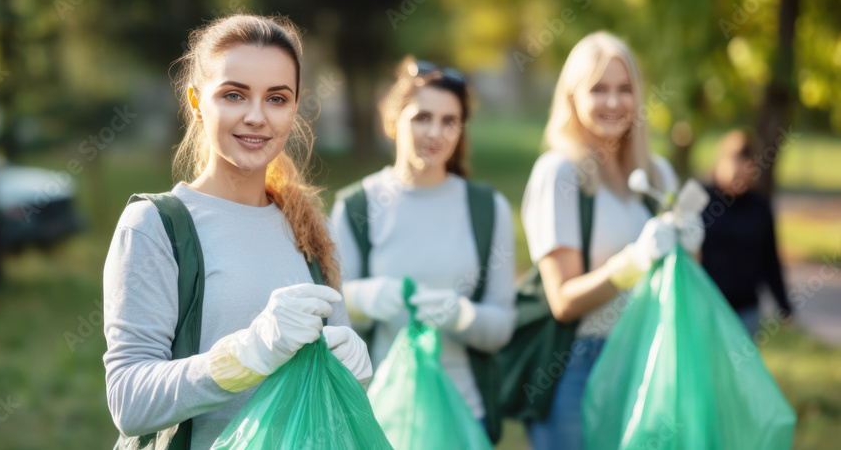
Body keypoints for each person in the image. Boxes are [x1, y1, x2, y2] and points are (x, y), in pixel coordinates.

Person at [102, 14, 371, 450]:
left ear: (295, 107)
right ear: (195, 101)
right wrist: (245, 356)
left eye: (277, 98)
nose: (256, 117)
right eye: (234, 95)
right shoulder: (156, 226)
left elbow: (334, 402)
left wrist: (353, 374)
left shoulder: (309, 227)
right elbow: (129, 402)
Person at [519, 31, 701, 449]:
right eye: (598, 89)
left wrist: (691, 244)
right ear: (572, 97)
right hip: (577, 366)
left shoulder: (658, 173)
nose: (614, 102)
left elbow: (685, 282)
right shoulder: (559, 173)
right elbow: (563, 301)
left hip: (649, 358)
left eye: (624, 89)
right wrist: (633, 262)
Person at [331, 56, 517, 436]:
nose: (435, 133)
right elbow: (331, 316)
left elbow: (502, 326)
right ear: (394, 119)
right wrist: (362, 298)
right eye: (422, 118)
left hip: (466, 416)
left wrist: (462, 316)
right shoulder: (357, 207)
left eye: (449, 121)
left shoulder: (487, 208)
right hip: (382, 418)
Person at [700, 129, 793, 337]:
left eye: (746, 167)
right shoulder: (701, 199)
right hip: (706, 305)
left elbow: (770, 258)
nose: (738, 174)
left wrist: (784, 305)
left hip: (746, 307)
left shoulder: (759, 207)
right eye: (734, 165)